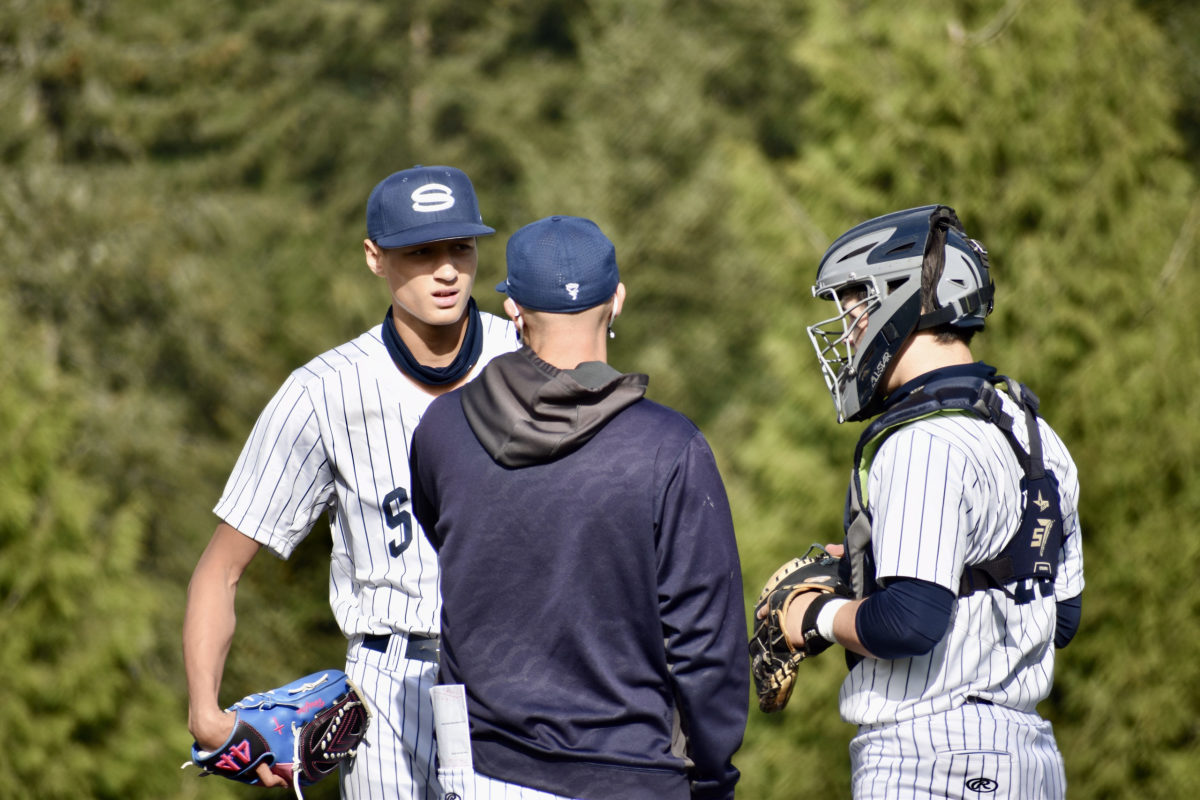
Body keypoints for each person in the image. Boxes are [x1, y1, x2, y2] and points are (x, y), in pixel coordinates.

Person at [182, 165, 519, 799]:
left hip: (513, 673)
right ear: (374, 257)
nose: (447, 270)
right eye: (421, 252)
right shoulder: (323, 391)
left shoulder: (526, 361)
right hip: (387, 688)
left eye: (461, 248)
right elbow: (221, 567)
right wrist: (205, 710)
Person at [408, 215, 748, 800]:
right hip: (629, 774)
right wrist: (714, 775)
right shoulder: (668, 446)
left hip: (482, 772)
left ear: (513, 308)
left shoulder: (442, 430)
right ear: (617, 300)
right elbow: (705, 644)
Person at [780, 205, 1084, 799]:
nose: (849, 333)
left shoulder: (918, 441)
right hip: (1029, 760)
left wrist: (814, 615)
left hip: (934, 764)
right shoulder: (1036, 434)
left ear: (896, 303)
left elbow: (912, 621)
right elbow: (1060, 618)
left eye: (854, 308)